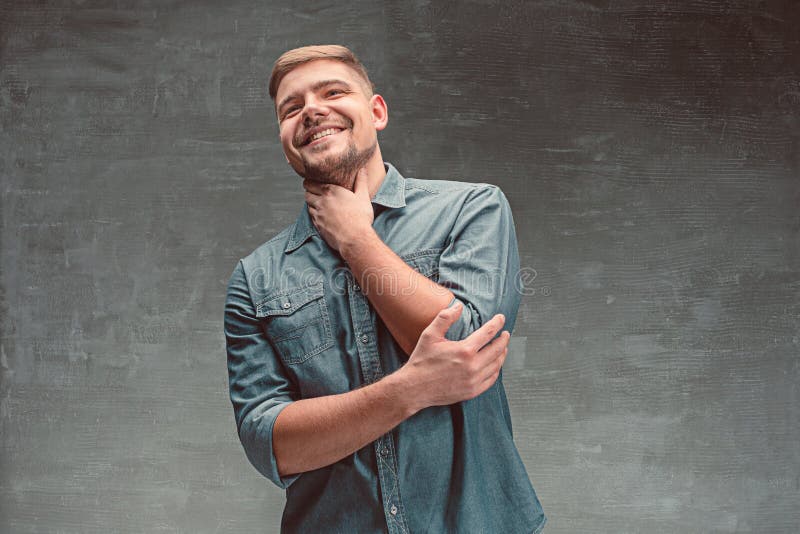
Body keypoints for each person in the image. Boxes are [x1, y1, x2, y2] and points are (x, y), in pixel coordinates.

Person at [224, 45, 546, 533]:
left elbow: (467, 347)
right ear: (285, 140)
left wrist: (356, 240)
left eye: (333, 92)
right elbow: (268, 442)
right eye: (291, 108)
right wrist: (409, 390)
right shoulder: (255, 279)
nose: (312, 110)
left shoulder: (472, 209)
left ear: (376, 112)